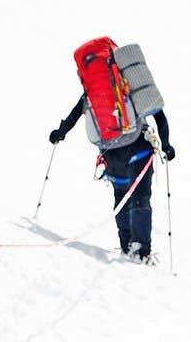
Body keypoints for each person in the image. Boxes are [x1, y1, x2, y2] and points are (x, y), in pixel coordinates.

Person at [48, 98, 174, 263]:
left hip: (111, 153)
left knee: (121, 195)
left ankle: (126, 246)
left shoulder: (94, 88)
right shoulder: (133, 80)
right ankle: (141, 253)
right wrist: (166, 144)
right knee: (140, 198)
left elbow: (75, 114)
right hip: (139, 148)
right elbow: (158, 113)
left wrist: (60, 132)